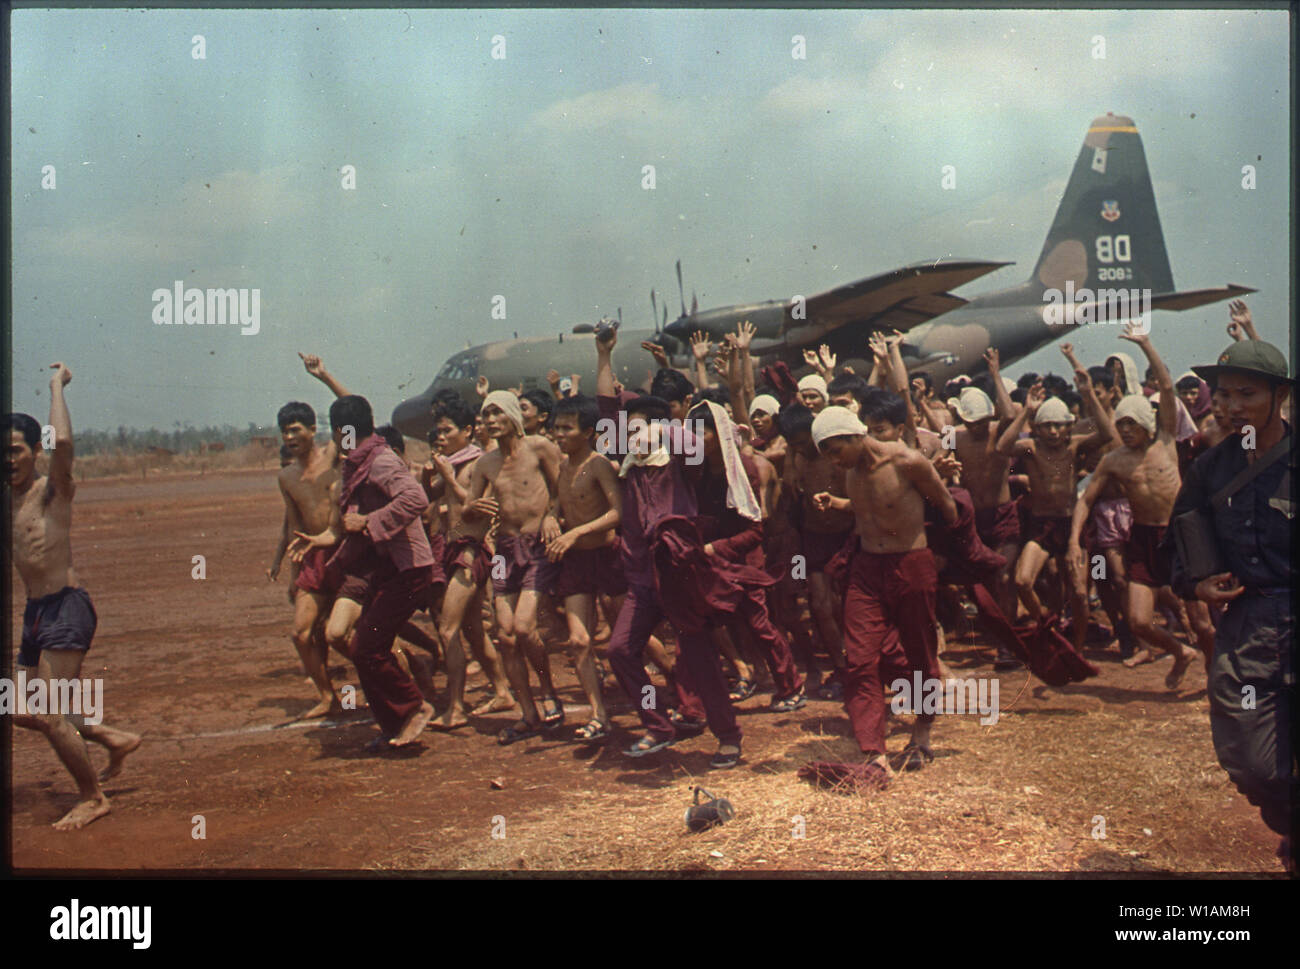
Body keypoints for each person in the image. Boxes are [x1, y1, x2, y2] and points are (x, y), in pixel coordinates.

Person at [1167, 339, 1294, 870]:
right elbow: (1175, 546)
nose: (1233, 406)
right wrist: (1194, 587)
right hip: (1248, 629)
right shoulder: (1209, 470)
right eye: (1224, 395)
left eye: (1248, 393)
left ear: (1279, 395)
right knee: (1251, 764)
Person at [6, 364, 142, 830]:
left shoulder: (52, 491)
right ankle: (109, 736)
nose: (8, 460)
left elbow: (64, 443)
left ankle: (93, 797)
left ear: (34, 450)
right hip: (36, 613)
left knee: (46, 712)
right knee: (15, 706)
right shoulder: (6, 501)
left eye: (16, 451)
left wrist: (55, 386)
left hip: (67, 606)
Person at [806, 405, 958, 789]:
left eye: (835, 450)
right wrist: (838, 504)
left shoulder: (908, 461)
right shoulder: (851, 473)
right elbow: (867, 509)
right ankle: (873, 753)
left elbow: (948, 507)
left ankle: (921, 734)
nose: (833, 461)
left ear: (856, 437)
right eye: (826, 454)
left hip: (912, 565)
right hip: (867, 570)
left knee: (921, 653)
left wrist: (939, 555)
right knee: (858, 659)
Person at [293, 395, 435, 748]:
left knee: (368, 648)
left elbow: (416, 499)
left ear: (342, 431)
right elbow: (347, 523)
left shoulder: (380, 462)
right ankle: (392, 726)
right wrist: (323, 539)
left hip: (409, 567)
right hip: (387, 568)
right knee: (363, 648)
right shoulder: (357, 462)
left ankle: (414, 708)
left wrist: (369, 522)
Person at [1068, 324, 1200, 689]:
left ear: (1146, 423)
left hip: (1180, 534)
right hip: (1143, 537)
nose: (1124, 431)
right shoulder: (1114, 461)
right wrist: (1073, 542)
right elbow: (1086, 500)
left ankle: (1224, 679)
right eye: (1120, 424)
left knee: (1202, 620)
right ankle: (1179, 652)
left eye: (1131, 424)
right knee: (1138, 620)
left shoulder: (1166, 442)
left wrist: (1145, 343)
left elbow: (1168, 387)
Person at [464, 390, 565, 745]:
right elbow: (466, 508)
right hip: (504, 552)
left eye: (496, 413)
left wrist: (553, 516)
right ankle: (528, 714)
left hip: (536, 546)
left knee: (524, 628)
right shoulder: (485, 463)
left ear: (512, 415)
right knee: (505, 636)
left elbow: (562, 488)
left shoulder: (540, 447)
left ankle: (549, 691)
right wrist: (476, 506)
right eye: (485, 415)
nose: (490, 421)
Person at [996, 367, 1116, 652]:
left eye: (1059, 426)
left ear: (1069, 426)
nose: (1053, 432)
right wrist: (1027, 412)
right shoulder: (1031, 447)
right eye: (1047, 426)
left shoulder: (1074, 447)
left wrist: (1087, 393)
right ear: (1037, 428)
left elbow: (1107, 433)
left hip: (1070, 524)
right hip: (1041, 526)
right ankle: (1048, 626)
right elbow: (1002, 447)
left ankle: (1076, 646)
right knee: (1023, 581)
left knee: (1078, 591)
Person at [422, 397, 514, 727]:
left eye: (447, 431)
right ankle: (503, 691)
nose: (441, 437)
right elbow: (426, 501)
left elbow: (481, 507)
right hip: (452, 551)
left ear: (467, 431)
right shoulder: (451, 463)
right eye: (438, 431)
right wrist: (429, 477)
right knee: (474, 631)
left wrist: (447, 477)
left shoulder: (478, 463)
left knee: (448, 629)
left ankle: (457, 708)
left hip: (470, 552)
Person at [545, 394, 622, 740]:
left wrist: (576, 531)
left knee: (629, 639)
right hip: (576, 562)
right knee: (578, 642)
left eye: (566, 428)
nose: (558, 434)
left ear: (588, 431)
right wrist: (550, 517)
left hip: (608, 559)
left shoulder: (600, 465)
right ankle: (599, 715)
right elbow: (559, 503)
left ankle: (676, 683)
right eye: (556, 428)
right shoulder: (562, 467)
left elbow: (618, 513)